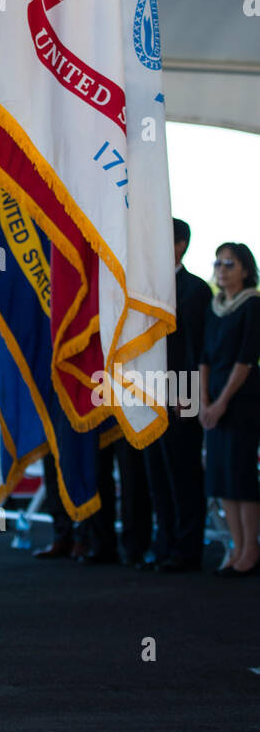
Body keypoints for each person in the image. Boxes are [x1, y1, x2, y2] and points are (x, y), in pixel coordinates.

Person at [144, 218, 210, 572]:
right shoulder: (144, 286)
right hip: (149, 389)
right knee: (157, 473)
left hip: (182, 389)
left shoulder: (194, 289)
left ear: (179, 244)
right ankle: (165, 543)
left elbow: (197, 350)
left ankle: (187, 549)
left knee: (182, 471)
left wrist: (188, 394)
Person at [199, 242, 260, 577]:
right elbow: (205, 357)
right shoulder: (215, 306)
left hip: (241, 399)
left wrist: (222, 402)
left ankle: (251, 547)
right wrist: (204, 401)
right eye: (219, 263)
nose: (222, 269)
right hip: (214, 401)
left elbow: (246, 359)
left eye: (230, 263)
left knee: (241, 475)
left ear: (246, 270)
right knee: (220, 477)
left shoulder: (252, 305)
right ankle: (235, 547)